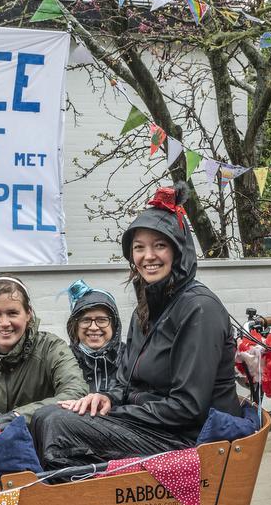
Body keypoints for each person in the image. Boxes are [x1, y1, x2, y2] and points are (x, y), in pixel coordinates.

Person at [31, 183, 242, 468]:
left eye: (160, 245)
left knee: (59, 426)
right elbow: (125, 382)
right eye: (139, 247)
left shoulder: (198, 309)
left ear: (179, 251)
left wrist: (118, 413)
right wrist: (105, 398)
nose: (148, 256)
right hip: (155, 425)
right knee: (46, 415)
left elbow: (188, 407)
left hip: (189, 437)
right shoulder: (145, 308)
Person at [0, 269, 88, 430]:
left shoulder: (51, 347)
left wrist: (17, 417)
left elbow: (76, 392)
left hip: (43, 443)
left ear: (28, 314)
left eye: (12, 313)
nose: (4, 323)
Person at [63, 279, 123, 393]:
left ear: (114, 325)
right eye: (85, 320)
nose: (94, 327)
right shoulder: (63, 360)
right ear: (75, 326)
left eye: (102, 320)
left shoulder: (129, 358)